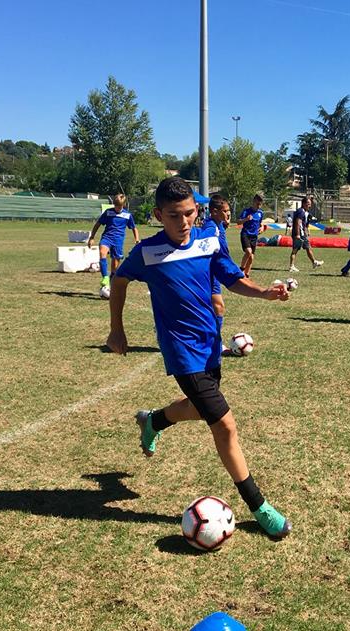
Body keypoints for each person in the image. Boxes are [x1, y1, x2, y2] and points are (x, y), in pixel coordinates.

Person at [107, 177, 293, 540]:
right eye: (175, 216)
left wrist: (263, 293)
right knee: (224, 425)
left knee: (198, 406)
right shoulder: (146, 252)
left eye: (190, 213)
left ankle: (154, 421)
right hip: (180, 350)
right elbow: (119, 282)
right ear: (159, 215)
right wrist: (117, 328)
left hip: (210, 343)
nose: (184, 222)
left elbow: (231, 277)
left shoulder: (209, 240)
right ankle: (259, 505)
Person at [86, 193, 141, 294]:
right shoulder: (108, 213)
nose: (117, 208)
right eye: (115, 205)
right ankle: (105, 278)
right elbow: (97, 224)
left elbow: (134, 228)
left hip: (118, 241)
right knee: (102, 253)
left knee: (114, 268)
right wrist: (92, 237)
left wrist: (137, 239)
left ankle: (111, 287)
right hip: (107, 238)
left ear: (123, 205)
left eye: (119, 206)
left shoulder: (127, 215)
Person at [200, 193, 231, 331]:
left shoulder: (219, 224)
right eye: (225, 211)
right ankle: (215, 342)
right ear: (214, 212)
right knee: (218, 306)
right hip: (209, 271)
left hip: (214, 271)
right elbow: (203, 241)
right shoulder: (211, 227)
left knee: (208, 306)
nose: (228, 213)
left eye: (229, 210)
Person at [288, 196, 324, 272]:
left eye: (310, 204)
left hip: (302, 233)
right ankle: (291, 266)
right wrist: (298, 234)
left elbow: (304, 224)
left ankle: (314, 262)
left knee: (308, 247)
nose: (310, 206)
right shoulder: (301, 211)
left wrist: (307, 232)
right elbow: (298, 222)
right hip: (299, 234)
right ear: (304, 204)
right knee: (295, 250)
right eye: (308, 204)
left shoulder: (304, 212)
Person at [237, 194, 264, 278]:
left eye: (260, 204)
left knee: (251, 257)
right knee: (248, 252)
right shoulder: (246, 211)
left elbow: (260, 223)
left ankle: (246, 274)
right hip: (245, 234)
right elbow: (238, 221)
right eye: (257, 204)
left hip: (254, 236)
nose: (259, 206)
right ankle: (241, 270)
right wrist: (245, 219)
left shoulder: (260, 213)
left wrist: (262, 227)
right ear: (254, 202)